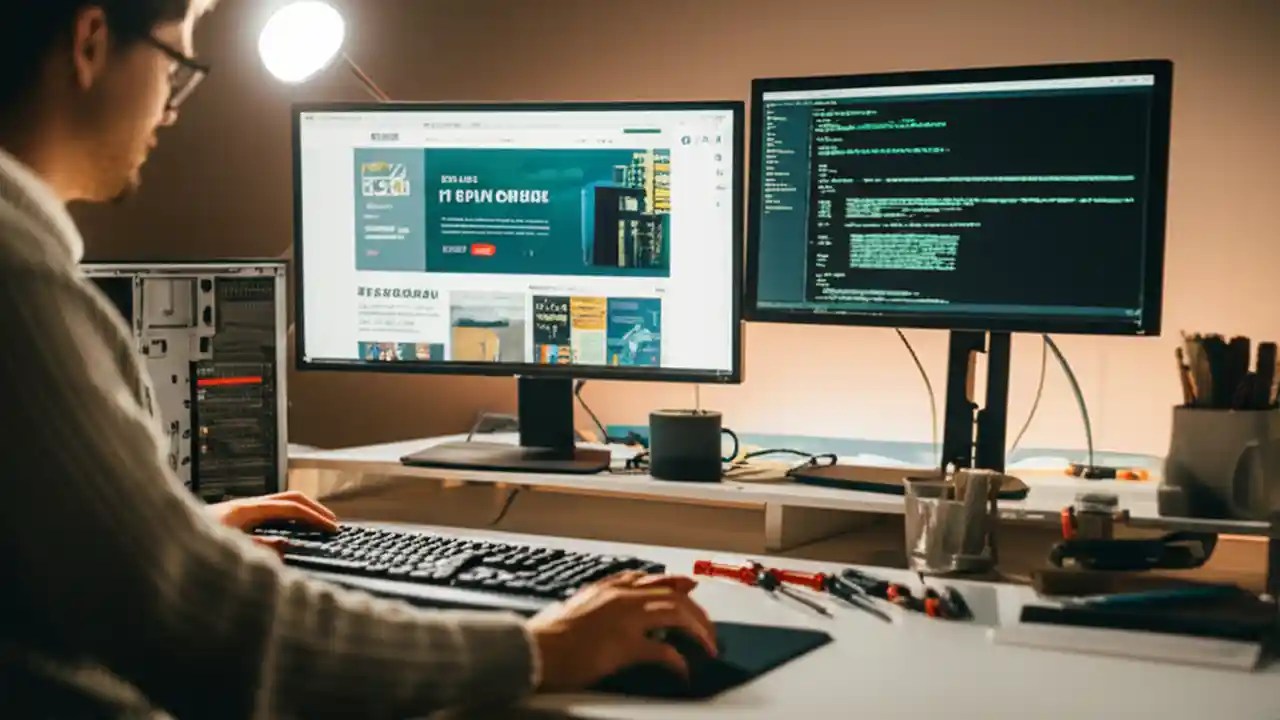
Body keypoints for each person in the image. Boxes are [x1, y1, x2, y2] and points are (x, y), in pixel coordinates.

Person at [0, 2, 715, 718]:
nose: (172, 107)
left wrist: (168, 538)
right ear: (91, 43)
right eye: (175, 67)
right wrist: (538, 650)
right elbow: (222, 631)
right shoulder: (20, 282)